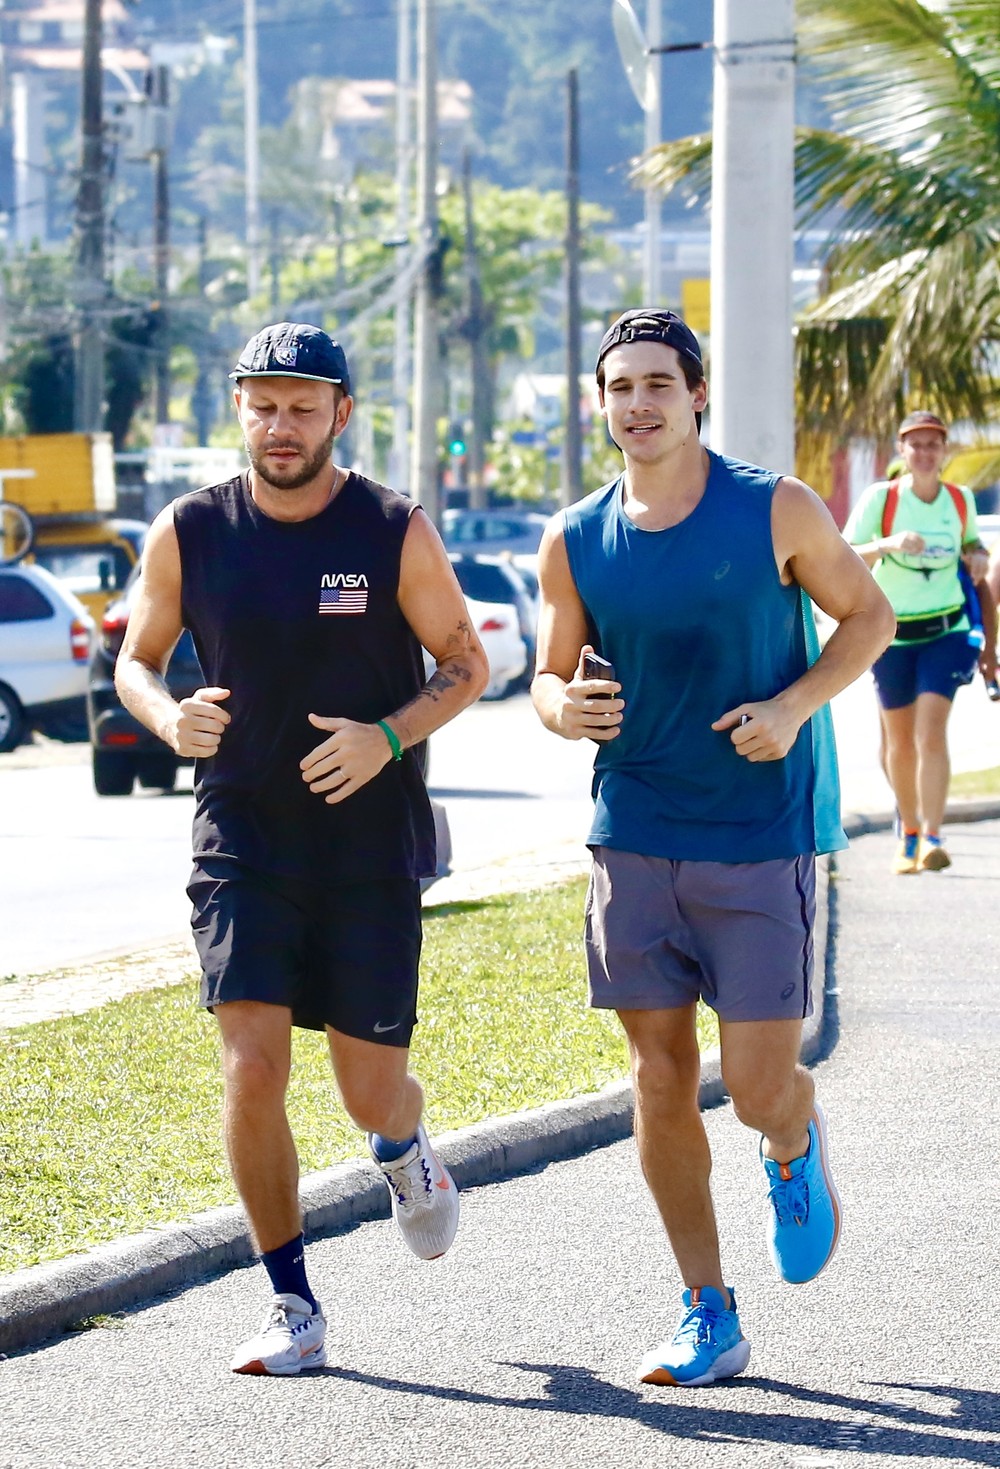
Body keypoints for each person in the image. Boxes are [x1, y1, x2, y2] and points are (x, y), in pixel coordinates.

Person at [115, 322, 490, 1375]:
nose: (280, 425)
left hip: (368, 848)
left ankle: (404, 1149)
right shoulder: (188, 530)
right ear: (238, 408)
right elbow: (135, 661)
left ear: (341, 414)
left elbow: (465, 663)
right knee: (251, 1067)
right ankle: (292, 1301)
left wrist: (386, 737)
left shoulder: (391, 527)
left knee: (370, 1088)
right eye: (262, 403)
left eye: (301, 405)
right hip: (241, 838)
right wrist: (164, 712)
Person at [530, 309, 894, 1387]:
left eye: (655, 383)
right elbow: (549, 678)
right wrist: (567, 711)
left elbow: (866, 618)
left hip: (755, 834)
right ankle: (707, 1309)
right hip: (633, 831)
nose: (635, 404)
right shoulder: (573, 537)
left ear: (695, 394)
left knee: (755, 1081)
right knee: (657, 1074)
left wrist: (793, 706)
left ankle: (793, 1142)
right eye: (617, 387)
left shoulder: (772, 506)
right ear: (601, 404)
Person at [844, 411, 989, 874]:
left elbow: (971, 548)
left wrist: (980, 554)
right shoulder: (880, 500)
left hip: (945, 632)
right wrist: (887, 544)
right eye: (916, 444)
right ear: (902, 452)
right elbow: (843, 554)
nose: (925, 453)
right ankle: (907, 832)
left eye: (933, 445)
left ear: (944, 452)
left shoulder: (960, 500)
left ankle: (931, 835)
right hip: (890, 636)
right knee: (899, 743)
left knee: (930, 732)